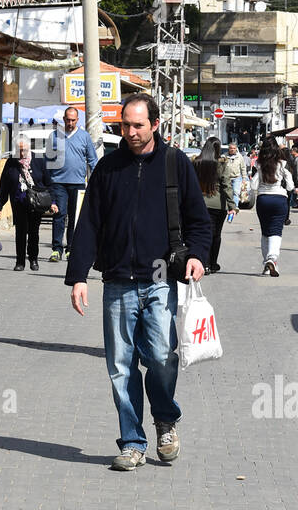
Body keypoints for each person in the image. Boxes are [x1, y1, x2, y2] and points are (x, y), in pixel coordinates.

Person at [65, 94, 211, 472]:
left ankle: (165, 419)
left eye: (137, 125)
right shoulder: (108, 168)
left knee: (162, 356)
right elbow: (89, 224)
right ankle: (132, 441)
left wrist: (196, 255)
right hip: (116, 280)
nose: (129, 132)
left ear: (155, 125)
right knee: (121, 367)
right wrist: (78, 276)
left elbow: (199, 220)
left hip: (161, 274)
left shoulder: (175, 164)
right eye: (124, 125)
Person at [44, 105, 97, 261]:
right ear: (64, 119)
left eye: (73, 120)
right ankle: (56, 249)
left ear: (77, 120)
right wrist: (48, 183)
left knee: (75, 217)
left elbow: (92, 160)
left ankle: (71, 249)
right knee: (59, 214)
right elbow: (47, 161)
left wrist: (96, 180)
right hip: (58, 182)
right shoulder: (54, 136)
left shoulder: (84, 137)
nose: (70, 123)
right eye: (68, 120)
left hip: (78, 183)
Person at [0, 135, 55, 272]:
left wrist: (53, 202)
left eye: (25, 150)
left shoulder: (39, 160)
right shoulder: (11, 162)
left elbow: (49, 183)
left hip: (36, 202)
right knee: (20, 232)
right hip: (19, 202)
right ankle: (20, 261)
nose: (22, 153)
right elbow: (4, 185)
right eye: (19, 150)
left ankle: (33, 259)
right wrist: (0, 205)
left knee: (34, 232)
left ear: (29, 148)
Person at [249, 142, 294, 277]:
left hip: (263, 200)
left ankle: (267, 265)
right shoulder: (283, 165)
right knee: (276, 231)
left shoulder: (260, 165)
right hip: (279, 199)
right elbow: (291, 186)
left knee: (265, 232)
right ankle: (272, 258)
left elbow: (253, 185)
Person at [191, 136, 234, 273]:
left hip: (199, 203)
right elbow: (226, 185)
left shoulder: (196, 162)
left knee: (202, 233)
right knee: (216, 234)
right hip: (218, 204)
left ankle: (204, 262)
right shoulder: (222, 164)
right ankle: (212, 263)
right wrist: (232, 206)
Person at [221, 141, 248, 211]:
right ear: (228, 149)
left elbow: (243, 168)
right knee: (226, 192)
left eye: (234, 148)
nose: (232, 149)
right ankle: (226, 206)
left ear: (236, 149)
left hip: (236, 178)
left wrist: (244, 178)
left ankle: (235, 206)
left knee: (236, 192)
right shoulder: (224, 156)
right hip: (227, 178)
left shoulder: (239, 157)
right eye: (231, 148)